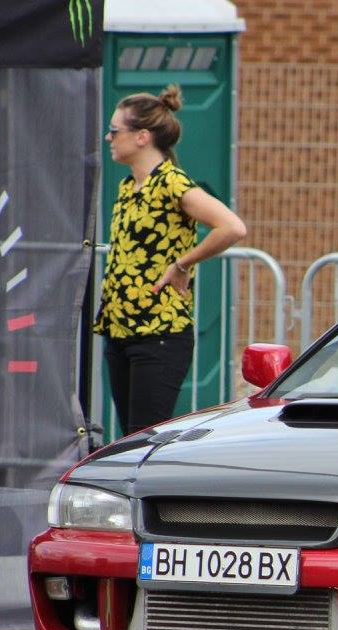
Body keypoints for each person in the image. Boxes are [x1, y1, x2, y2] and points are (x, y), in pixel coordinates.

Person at [94, 85, 247, 435]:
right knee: (129, 439)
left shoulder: (171, 183)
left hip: (158, 333)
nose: (108, 137)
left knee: (144, 438)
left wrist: (182, 264)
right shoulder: (128, 187)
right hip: (121, 330)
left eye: (115, 130)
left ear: (142, 137)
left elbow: (232, 227)